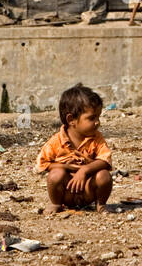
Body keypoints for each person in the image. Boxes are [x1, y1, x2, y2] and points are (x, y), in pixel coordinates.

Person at [36, 84, 113, 212]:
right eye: (91, 118)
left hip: (88, 188)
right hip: (67, 191)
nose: (97, 122)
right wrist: (67, 167)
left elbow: (105, 160)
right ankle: (56, 204)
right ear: (71, 119)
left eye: (98, 117)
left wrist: (84, 171)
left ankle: (101, 204)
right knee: (55, 175)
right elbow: (42, 164)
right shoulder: (56, 141)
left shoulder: (96, 138)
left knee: (104, 176)